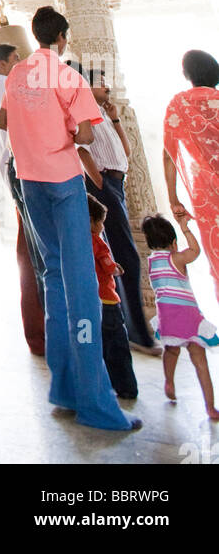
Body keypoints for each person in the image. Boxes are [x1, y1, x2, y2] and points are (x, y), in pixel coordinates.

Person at [0, 6, 141, 432]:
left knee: (54, 278)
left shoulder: (17, 75)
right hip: (61, 182)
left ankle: (63, 389)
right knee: (82, 288)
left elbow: (4, 121)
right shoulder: (67, 77)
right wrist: (63, 130)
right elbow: (86, 134)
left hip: (30, 182)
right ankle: (97, 405)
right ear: (61, 37)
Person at [72, 62, 160, 355]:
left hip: (116, 183)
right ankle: (136, 331)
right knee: (125, 257)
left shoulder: (103, 114)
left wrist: (117, 120)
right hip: (105, 184)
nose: (106, 87)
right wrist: (98, 183)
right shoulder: (82, 110)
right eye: (101, 83)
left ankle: (132, 327)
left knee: (124, 255)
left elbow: (126, 152)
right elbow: (81, 148)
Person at [0, 43, 45, 356]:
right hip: (22, 170)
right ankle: (39, 333)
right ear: (2, 65)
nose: (22, 62)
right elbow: (12, 126)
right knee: (34, 255)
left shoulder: (9, 85)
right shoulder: (6, 88)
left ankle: (42, 331)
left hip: (24, 170)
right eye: (16, 59)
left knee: (33, 252)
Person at [143, 212, 219, 420]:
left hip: (168, 318)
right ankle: (210, 408)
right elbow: (195, 251)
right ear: (173, 242)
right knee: (199, 360)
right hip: (188, 317)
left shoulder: (152, 262)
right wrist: (185, 227)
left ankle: (169, 381)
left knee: (171, 351)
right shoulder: (175, 258)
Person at [163, 49, 219, 305]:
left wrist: (174, 199)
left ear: (187, 74)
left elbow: (169, 155)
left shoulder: (180, 104)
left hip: (206, 194)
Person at [87, 194, 138, 399]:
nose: (103, 227)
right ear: (91, 221)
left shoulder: (78, 240)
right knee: (117, 345)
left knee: (97, 346)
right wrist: (116, 269)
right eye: (101, 222)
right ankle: (126, 387)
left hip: (90, 301)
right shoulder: (99, 243)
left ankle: (102, 384)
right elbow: (108, 266)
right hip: (108, 300)